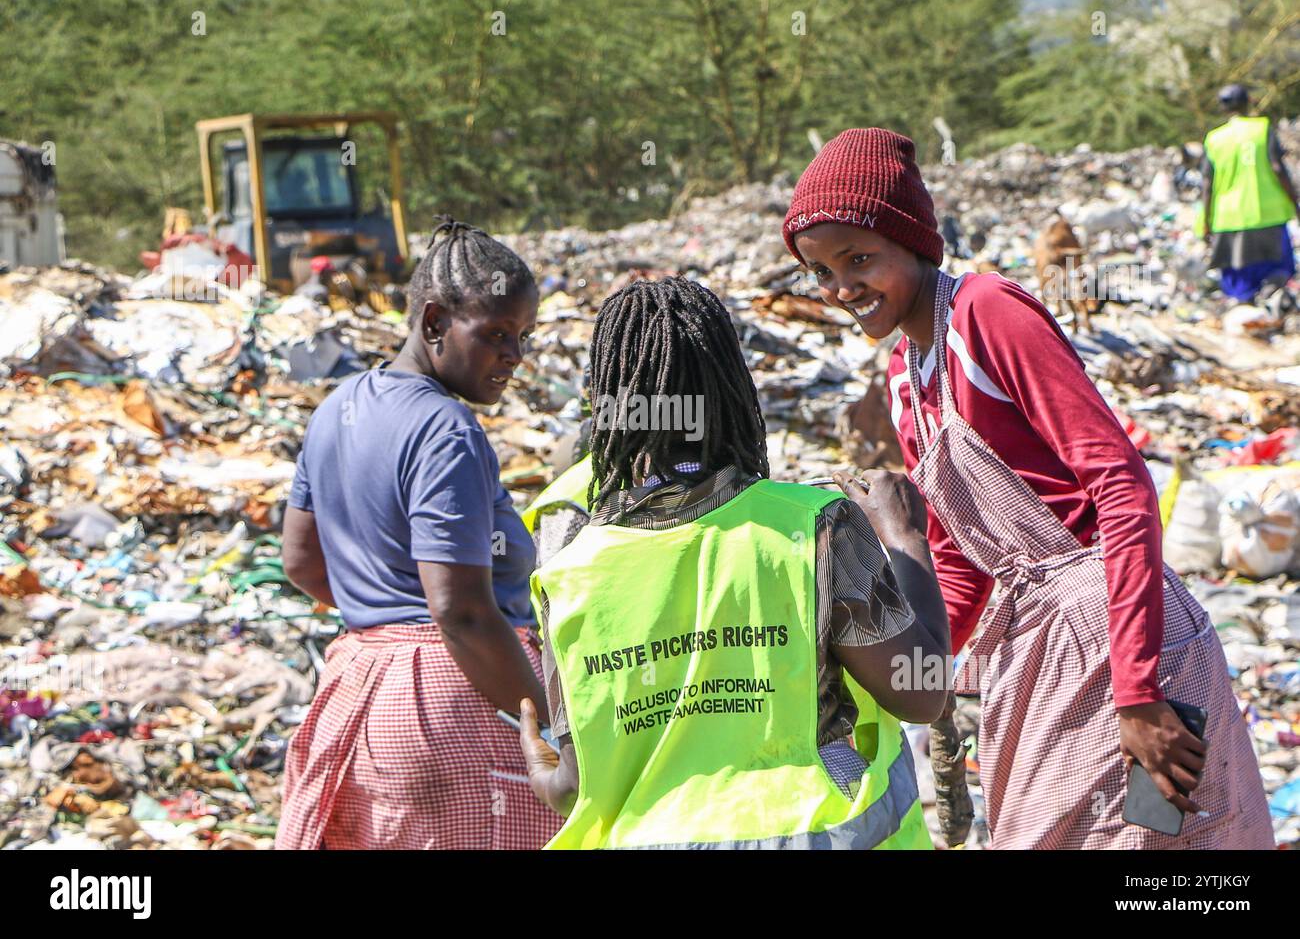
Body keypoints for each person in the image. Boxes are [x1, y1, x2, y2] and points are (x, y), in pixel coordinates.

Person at [785, 127, 1273, 849]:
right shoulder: (903, 381)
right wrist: (909, 677)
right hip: (1037, 653)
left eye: (860, 259)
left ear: (916, 243)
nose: (841, 288)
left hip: (1127, 637)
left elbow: (1123, 484)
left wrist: (1138, 693)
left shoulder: (987, 314)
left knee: (1162, 852)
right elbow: (958, 560)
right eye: (821, 272)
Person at [518, 276, 949, 849]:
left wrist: (549, 784)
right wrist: (905, 537)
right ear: (733, 389)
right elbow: (921, 692)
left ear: (603, 405)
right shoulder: (813, 528)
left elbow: (580, 784)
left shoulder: (567, 577)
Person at [275, 218, 561, 849]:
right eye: (495, 334)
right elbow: (459, 610)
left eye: (522, 335)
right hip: (455, 710)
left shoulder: (337, 409)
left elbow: (301, 562)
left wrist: (379, 614)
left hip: (356, 694)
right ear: (433, 322)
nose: (514, 354)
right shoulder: (445, 432)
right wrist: (549, 732)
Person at [1202, 84, 1299, 304]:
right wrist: (1294, 202)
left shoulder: (1215, 139)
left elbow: (1207, 184)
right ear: (1248, 102)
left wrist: (1206, 221)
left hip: (1229, 219)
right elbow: (1278, 168)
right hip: (1267, 215)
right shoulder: (1262, 129)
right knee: (1276, 279)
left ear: (1223, 108)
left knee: (1239, 284)